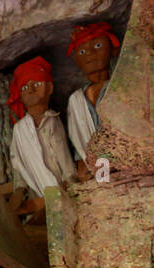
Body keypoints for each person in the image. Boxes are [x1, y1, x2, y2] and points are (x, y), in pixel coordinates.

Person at [7, 57, 77, 221]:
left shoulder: (53, 120)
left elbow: (64, 156)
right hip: (37, 191)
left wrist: (70, 180)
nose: (30, 90)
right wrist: (19, 189)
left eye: (36, 84)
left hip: (62, 189)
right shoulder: (19, 129)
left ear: (50, 88)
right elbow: (17, 162)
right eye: (25, 87)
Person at [65, 22, 121, 179]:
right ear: (76, 60)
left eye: (97, 45)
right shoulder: (75, 100)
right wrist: (82, 162)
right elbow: (76, 136)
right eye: (82, 51)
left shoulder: (119, 88)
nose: (90, 54)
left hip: (123, 160)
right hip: (96, 166)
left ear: (113, 50)